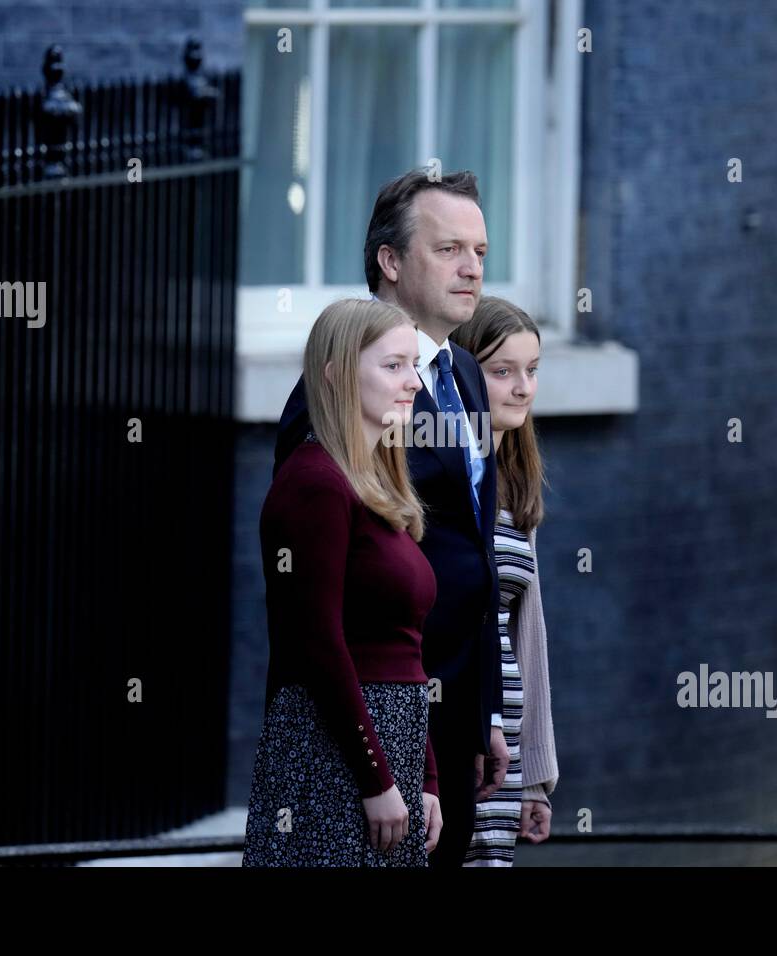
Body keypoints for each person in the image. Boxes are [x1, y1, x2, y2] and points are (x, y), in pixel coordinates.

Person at [272, 169, 509, 867]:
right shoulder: (337, 394)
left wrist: (485, 708)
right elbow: (310, 605)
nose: (471, 270)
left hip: (451, 720)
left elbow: (479, 556)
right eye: (448, 250)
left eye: (481, 252)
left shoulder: (465, 373)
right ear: (390, 261)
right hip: (370, 721)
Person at [242, 298, 443, 867]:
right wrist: (376, 778)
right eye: (393, 366)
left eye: (415, 365)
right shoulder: (314, 485)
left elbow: (404, 652)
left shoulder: (374, 486)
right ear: (336, 374)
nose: (413, 383)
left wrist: (424, 775)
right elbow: (317, 645)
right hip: (333, 755)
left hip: (387, 750)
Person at [451, 296, 559, 866]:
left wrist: (535, 776)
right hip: (448, 733)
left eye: (532, 371)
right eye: (503, 371)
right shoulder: (439, 478)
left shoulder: (516, 487)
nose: (523, 388)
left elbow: (528, 637)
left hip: (505, 742)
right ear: (465, 373)